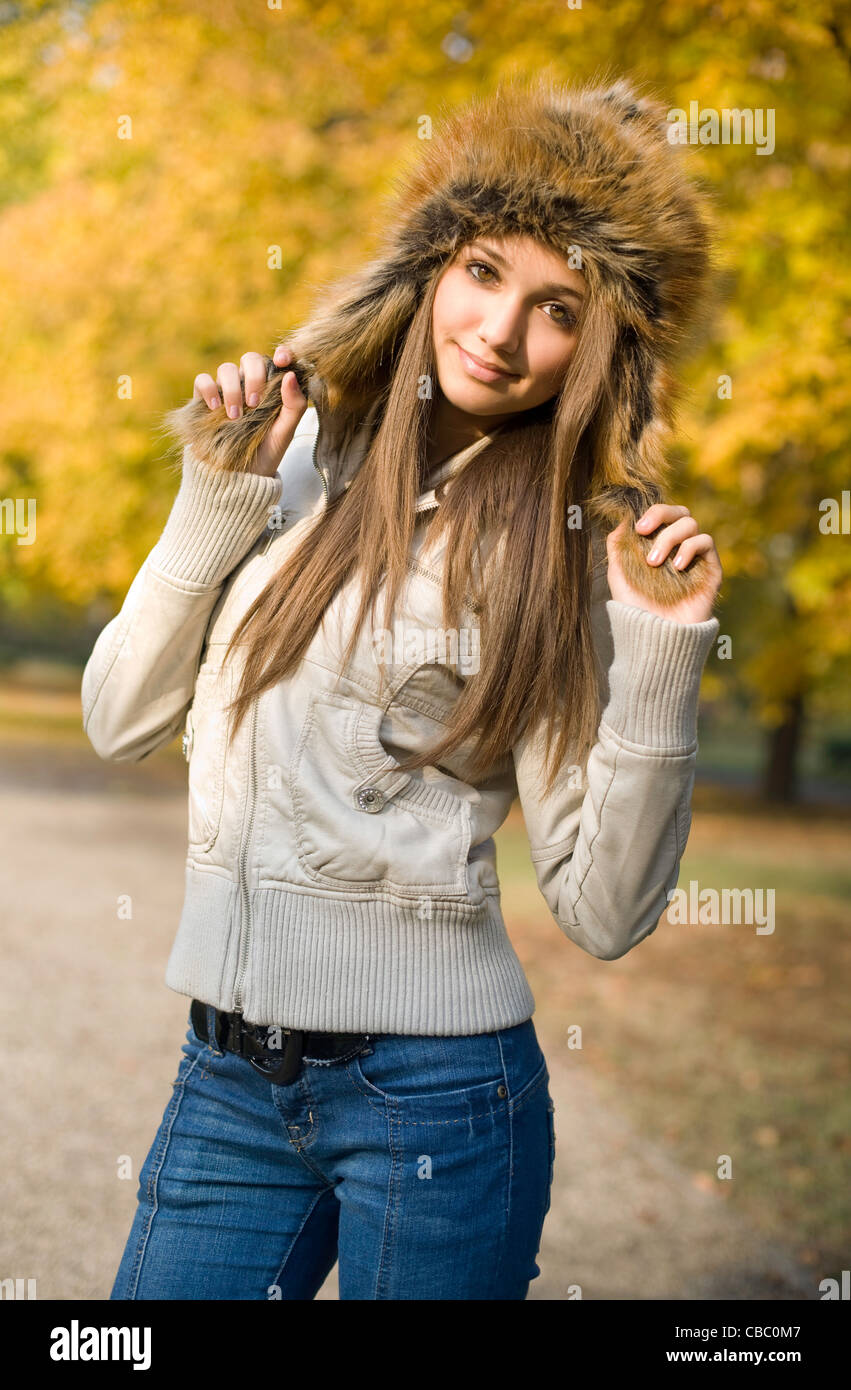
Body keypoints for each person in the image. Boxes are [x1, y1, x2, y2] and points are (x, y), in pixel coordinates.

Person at [83, 73, 723, 1301]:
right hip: (224, 1084)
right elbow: (118, 720)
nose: (498, 330)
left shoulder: (572, 546)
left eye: (557, 308)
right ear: (425, 269)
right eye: (481, 270)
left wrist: (657, 656)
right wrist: (214, 499)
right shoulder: (288, 454)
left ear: (598, 347)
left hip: (435, 1105)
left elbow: (602, 910)